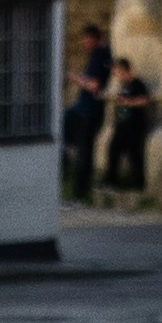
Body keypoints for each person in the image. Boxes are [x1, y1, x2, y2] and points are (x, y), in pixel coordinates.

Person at [62, 29, 110, 206]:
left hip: (88, 113)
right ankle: (76, 191)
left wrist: (75, 78)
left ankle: (79, 196)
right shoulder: (98, 55)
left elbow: (94, 86)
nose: (83, 43)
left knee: (84, 153)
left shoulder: (99, 56)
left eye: (85, 40)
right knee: (64, 126)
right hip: (82, 110)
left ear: (93, 39)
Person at [105, 54, 158, 196]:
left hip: (134, 126)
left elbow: (144, 100)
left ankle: (139, 186)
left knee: (135, 155)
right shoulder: (124, 85)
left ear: (123, 70)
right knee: (113, 151)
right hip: (122, 125)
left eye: (116, 71)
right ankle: (111, 182)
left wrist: (128, 103)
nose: (115, 74)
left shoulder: (137, 83)